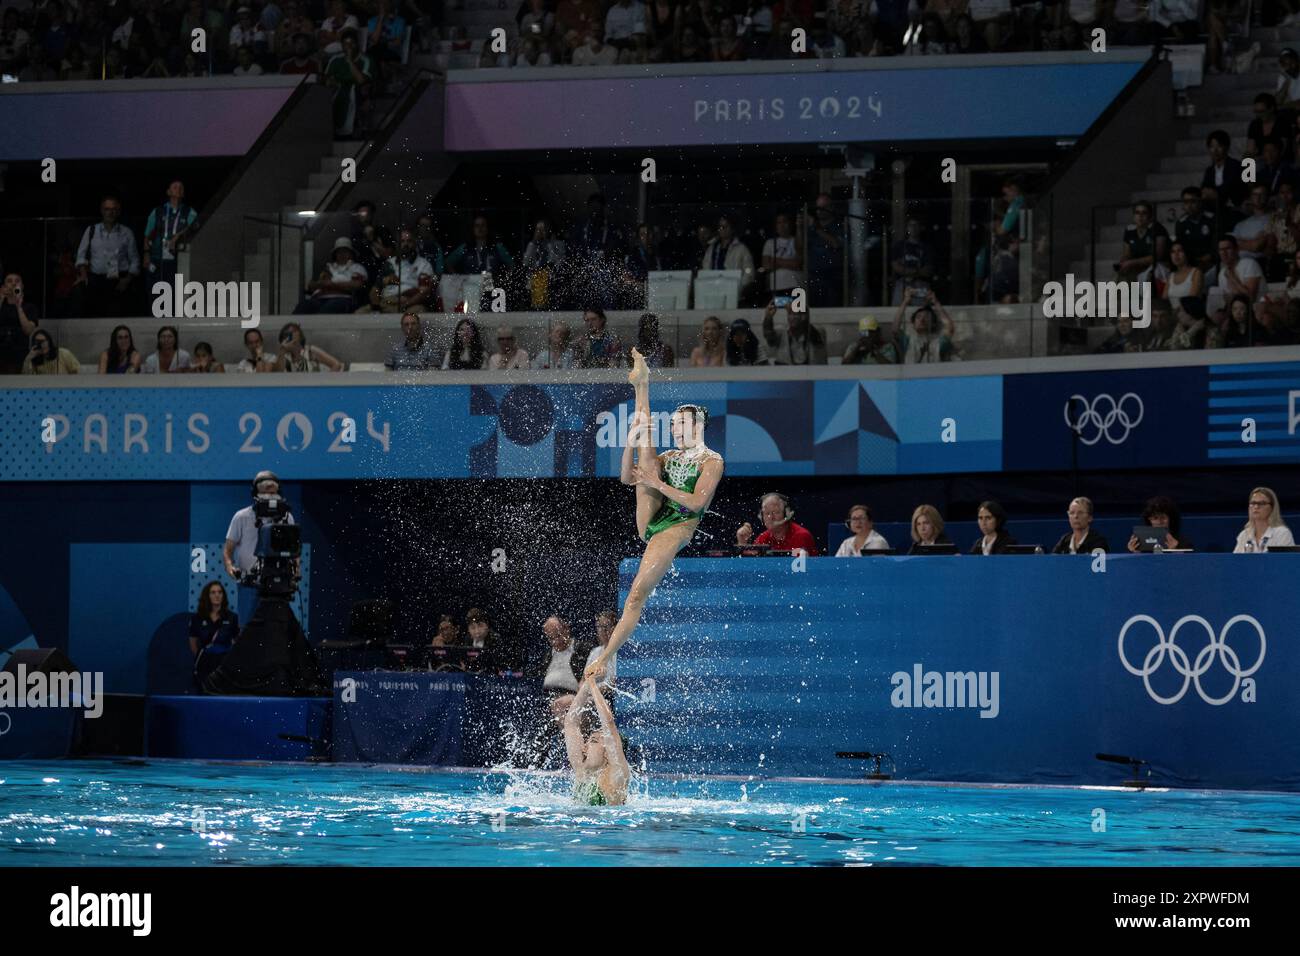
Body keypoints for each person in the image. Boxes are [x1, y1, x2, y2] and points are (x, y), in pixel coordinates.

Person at [584, 350, 725, 684]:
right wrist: (628, 446)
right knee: (645, 445)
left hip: (677, 526)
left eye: (680, 426)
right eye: (673, 426)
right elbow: (625, 478)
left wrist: (656, 482)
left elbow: (696, 503)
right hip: (652, 518)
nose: (675, 431)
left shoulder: (712, 461)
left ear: (698, 427)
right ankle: (642, 385)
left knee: (635, 594)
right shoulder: (671, 455)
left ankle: (605, 658)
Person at [224, 470, 297, 626]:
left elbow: (294, 551)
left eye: (273, 492)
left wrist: (295, 573)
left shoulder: (287, 517)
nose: (269, 496)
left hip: (278, 586)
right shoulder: (241, 516)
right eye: (265, 491)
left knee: (276, 630)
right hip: (249, 584)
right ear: (255, 492)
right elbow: (228, 549)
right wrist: (230, 567)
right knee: (247, 630)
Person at [564, 675, 629, 805]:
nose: (584, 747)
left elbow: (609, 723)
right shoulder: (582, 771)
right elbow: (571, 722)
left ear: (608, 752)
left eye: (593, 741)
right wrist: (587, 683)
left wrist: (593, 685)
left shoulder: (616, 775)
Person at [190, 580, 239, 685]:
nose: (217, 595)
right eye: (213, 592)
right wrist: (204, 657)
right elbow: (193, 643)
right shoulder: (197, 618)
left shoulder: (232, 617)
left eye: (220, 592)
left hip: (224, 662)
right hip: (204, 662)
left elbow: (236, 642)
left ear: (223, 596)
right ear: (207, 596)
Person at [736, 492, 818, 555]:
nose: (771, 517)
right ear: (761, 517)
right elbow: (752, 567)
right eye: (767, 513)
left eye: (776, 512)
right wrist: (742, 544)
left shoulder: (801, 536)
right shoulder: (762, 538)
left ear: (786, 514)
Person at [1233, 486, 1295, 552]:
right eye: (1253, 503)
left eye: (1262, 503)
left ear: (1272, 508)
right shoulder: (1244, 535)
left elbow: (1287, 561)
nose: (1256, 507)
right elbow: (1234, 561)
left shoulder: (1282, 534)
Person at [0, 273, 39, 375]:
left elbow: (28, 330)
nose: (13, 283)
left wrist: (19, 306)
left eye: (17, 281)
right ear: (3, 287)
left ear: (22, 286)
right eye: (9, 281)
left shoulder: (29, 308)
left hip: (19, 357)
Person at [1127, 495, 1193, 551]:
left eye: (1163, 518)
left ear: (1171, 519)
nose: (1159, 522)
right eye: (1155, 518)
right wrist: (1134, 552)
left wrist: (1175, 550)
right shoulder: (1140, 544)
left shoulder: (1183, 544)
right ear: (1149, 520)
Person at [271, 322, 344, 372]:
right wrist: (282, 350)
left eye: (293, 332)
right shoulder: (284, 355)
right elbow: (277, 373)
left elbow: (336, 365)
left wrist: (324, 383)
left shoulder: (310, 351)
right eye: (287, 334)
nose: (290, 336)